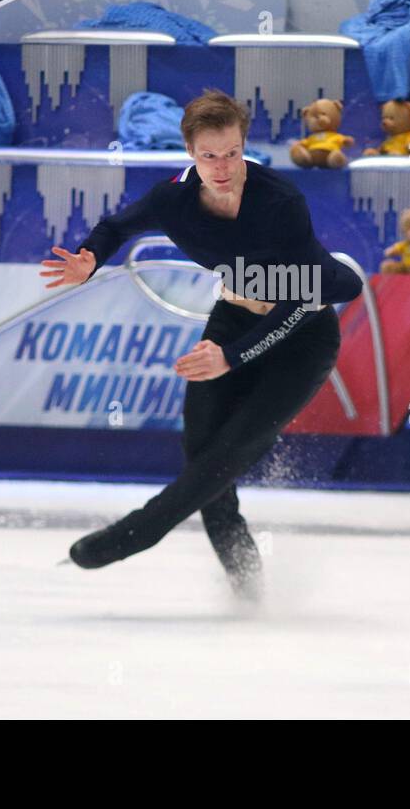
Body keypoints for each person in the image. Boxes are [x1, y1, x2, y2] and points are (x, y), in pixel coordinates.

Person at [39, 88, 363, 599]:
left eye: (232, 153)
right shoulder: (173, 200)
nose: (222, 166)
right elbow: (116, 225)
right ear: (190, 151)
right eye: (210, 155)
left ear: (243, 146)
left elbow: (302, 300)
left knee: (226, 457)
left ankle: (137, 534)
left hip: (300, 337)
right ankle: (248, 585)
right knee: (202, 456)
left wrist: (230, 358)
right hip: (232, 321)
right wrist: (90, 257)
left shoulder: (279, 201)